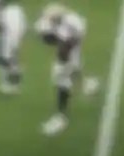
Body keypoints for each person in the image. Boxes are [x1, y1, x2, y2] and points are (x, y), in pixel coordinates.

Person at [36, 3, 101, 136]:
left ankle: (61, 118)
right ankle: (87, 84)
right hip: (68, 48)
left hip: (69, 51)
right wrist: (49, 37)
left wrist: (63, 65)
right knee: (73, 69)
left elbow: (68, 47)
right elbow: (46, 37)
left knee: (61, 82)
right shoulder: (53, 21)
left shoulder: (73, 25)